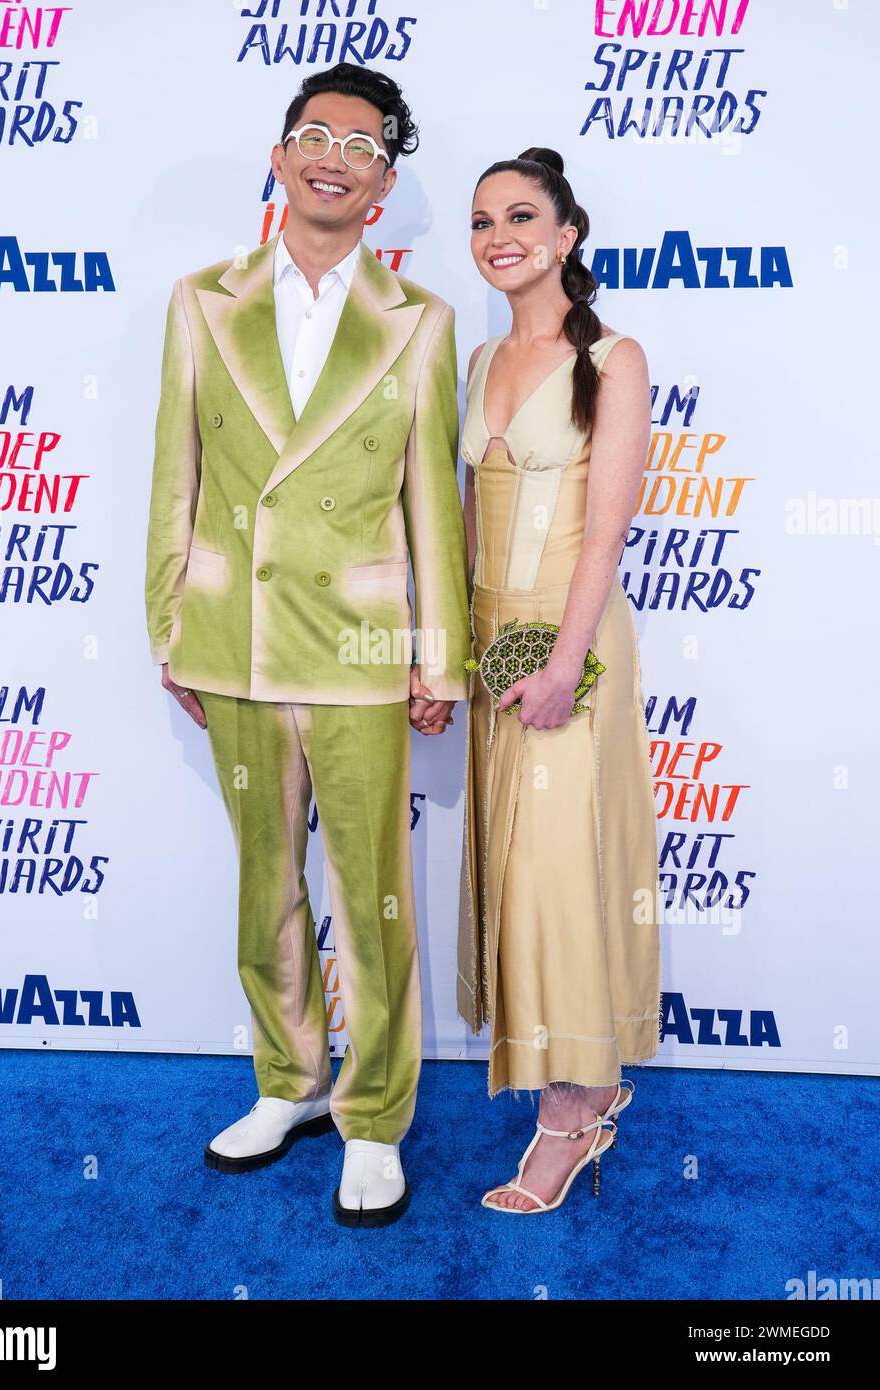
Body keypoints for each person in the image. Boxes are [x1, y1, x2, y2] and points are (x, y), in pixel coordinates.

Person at [144, 63, 470, 1227]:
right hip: (234, 642)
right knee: (265, 882)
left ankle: (372, 1116)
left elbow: (436, 500)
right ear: (280, 157)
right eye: (315, 135)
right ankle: (289, 1082)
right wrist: (170, 623)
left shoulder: (420, 322)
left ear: (383, 183)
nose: (336, 155)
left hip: (366, 648)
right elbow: (171, 475)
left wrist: (440, 657)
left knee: (373, 893)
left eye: (363, 145)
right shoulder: (199, 299)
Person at [456, 147, 661, 1214]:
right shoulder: (479, 361)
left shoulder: (614, 358)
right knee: (520, 872)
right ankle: (574, 1078)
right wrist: (450, 650)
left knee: (565, 868)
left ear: (567, 234)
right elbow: (459, 521)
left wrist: (562, 663)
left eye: (523, 215)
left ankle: (577, 1114)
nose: (500, 235)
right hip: (494, 645)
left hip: (568, 646)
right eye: (483, 220)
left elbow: (604, 537)